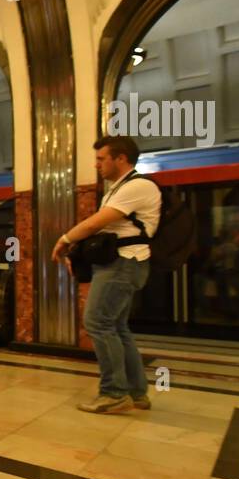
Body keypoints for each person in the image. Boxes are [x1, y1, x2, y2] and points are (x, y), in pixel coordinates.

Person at [51, 134, 161, 413]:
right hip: (122, 264)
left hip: (123, 264)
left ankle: (113, 393)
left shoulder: (137, 186)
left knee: (98, 322)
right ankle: (137, 393)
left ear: (120, 158)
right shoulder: (118, 188)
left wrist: (64, 240)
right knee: (117, 328)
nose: (97, 164)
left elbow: (94, 224)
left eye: (102, 159)